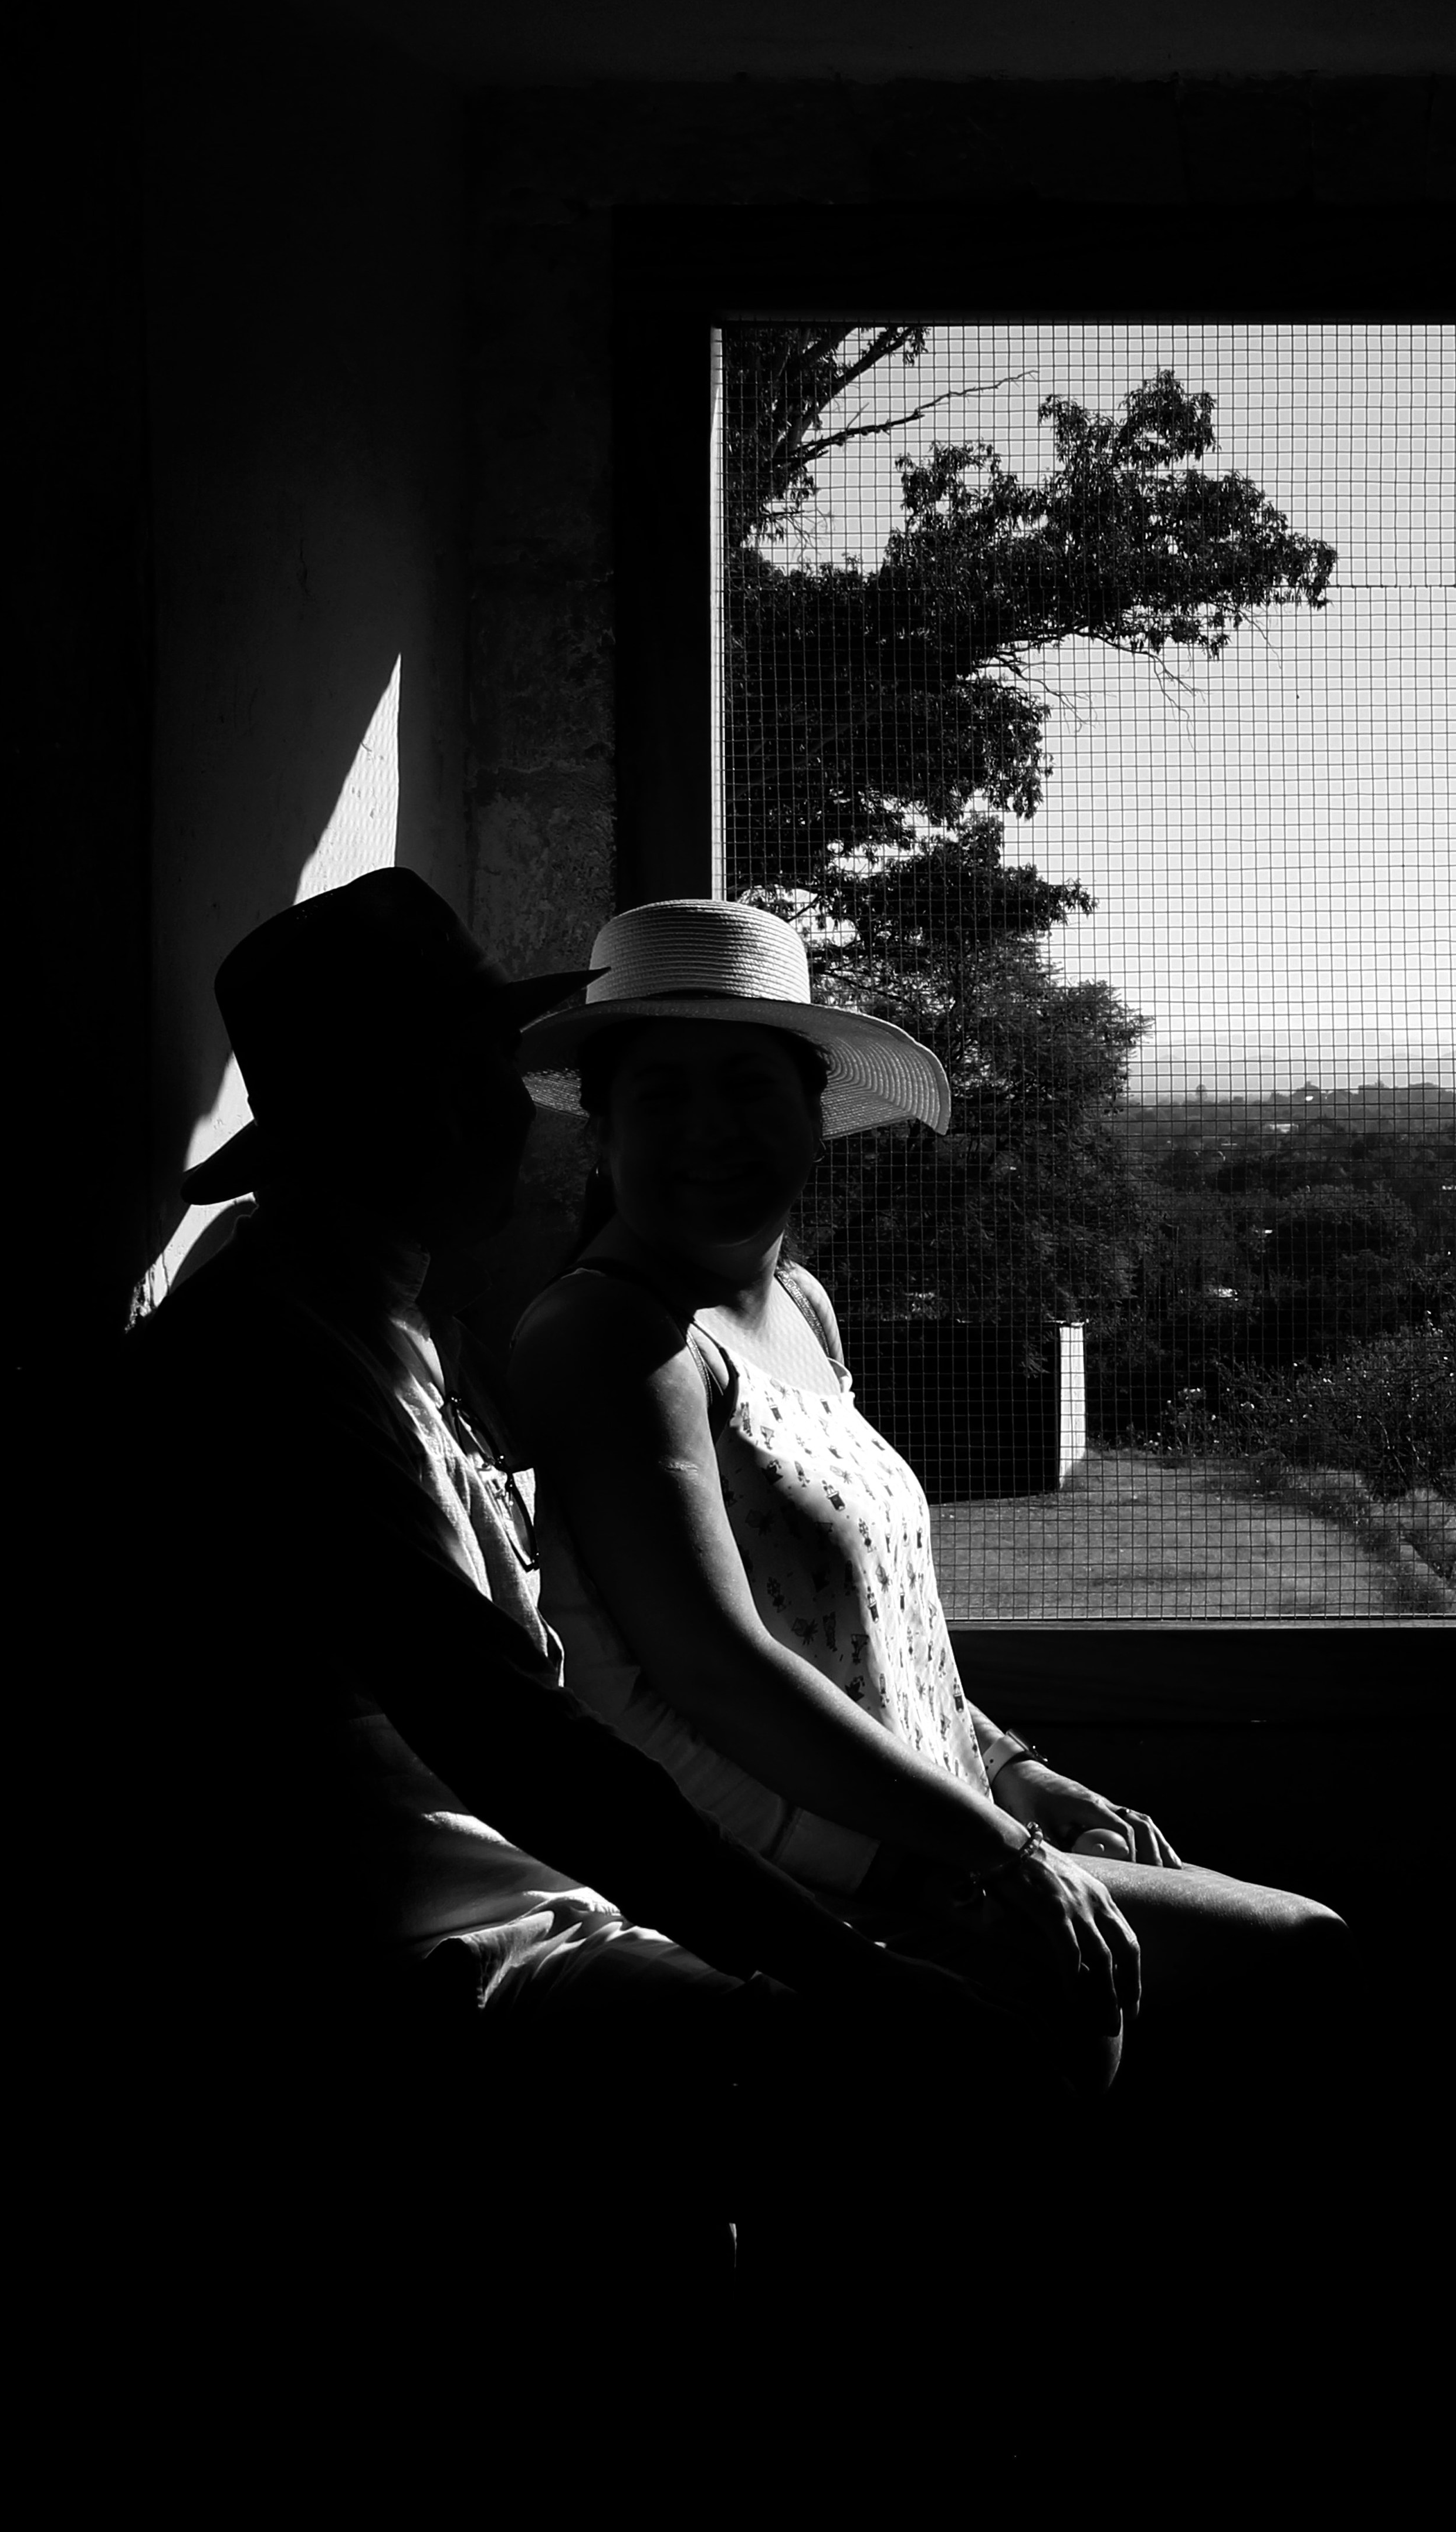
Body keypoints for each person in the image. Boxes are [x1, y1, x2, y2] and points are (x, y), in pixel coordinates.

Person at [100, 870, 1075, 2314]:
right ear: (430, 1110)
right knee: (956, 2092)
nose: (523, 1122)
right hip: (424, 1959)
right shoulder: (280, 1363)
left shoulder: (384, 1323)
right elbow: (519, 1738)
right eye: (496, 1085)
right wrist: (852, 1973)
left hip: (528, 1910)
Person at [504, 898, 1352, 2081]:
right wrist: (1001, 1860)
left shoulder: (797, 1306)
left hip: (945, 1827)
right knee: (1304, 1954)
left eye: (748, 1085)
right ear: (600, 1130)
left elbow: (888, 1631)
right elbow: (715, 1674)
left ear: (813, 1114)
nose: (711, 1129)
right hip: (821, 1887)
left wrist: (1018, 1774)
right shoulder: (608, 1338)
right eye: (661, 1094)